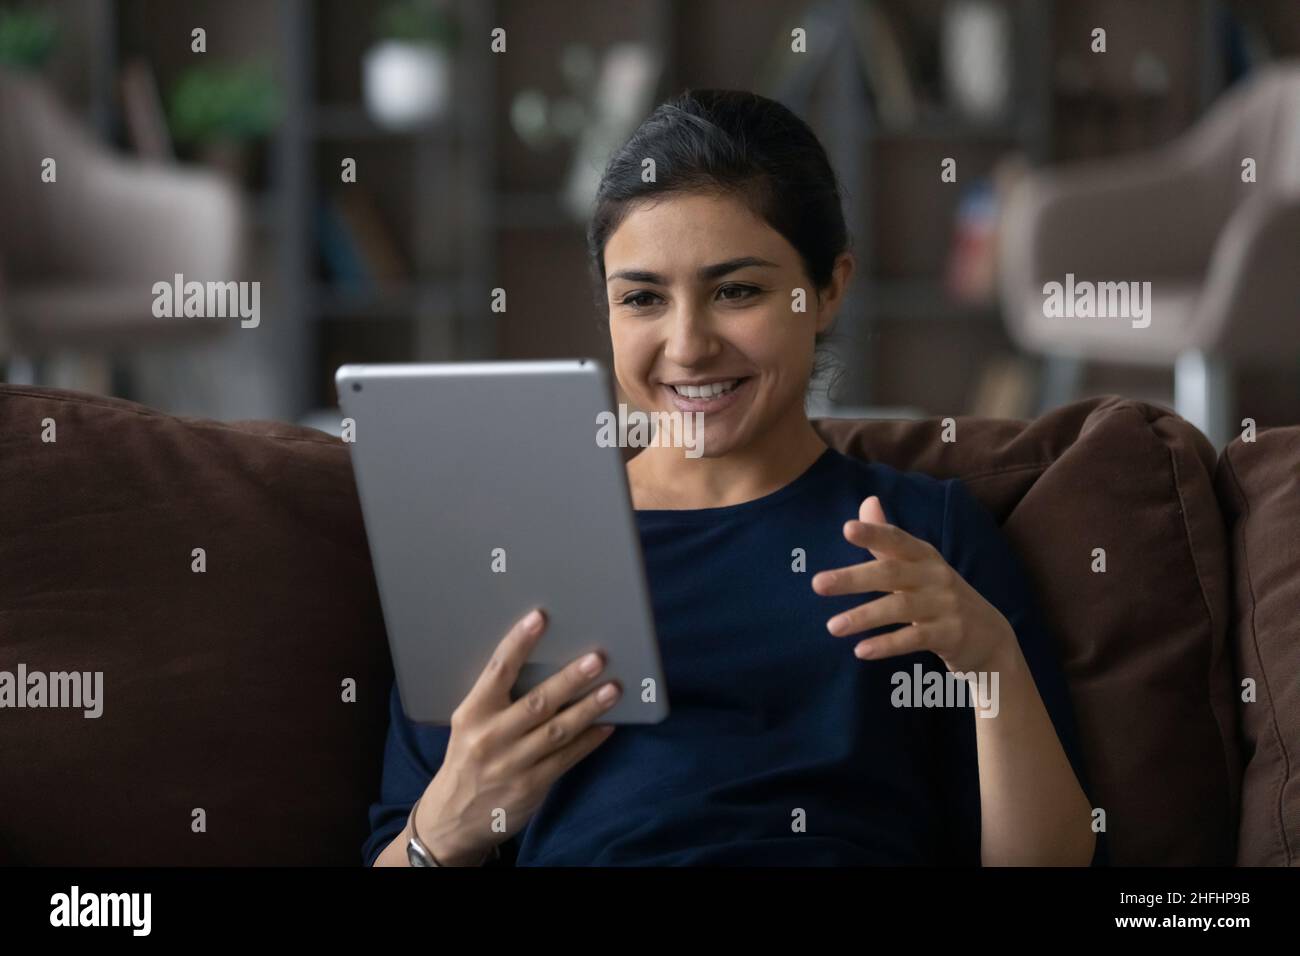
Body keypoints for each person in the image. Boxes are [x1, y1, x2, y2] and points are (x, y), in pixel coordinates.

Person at [365, 89, 1102, 867]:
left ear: (827, 290)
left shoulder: (927, 535)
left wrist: (992, 662)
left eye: (736, 291)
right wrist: (441, 831)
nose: (687, 346)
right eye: (643, 298)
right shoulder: (502, 551)